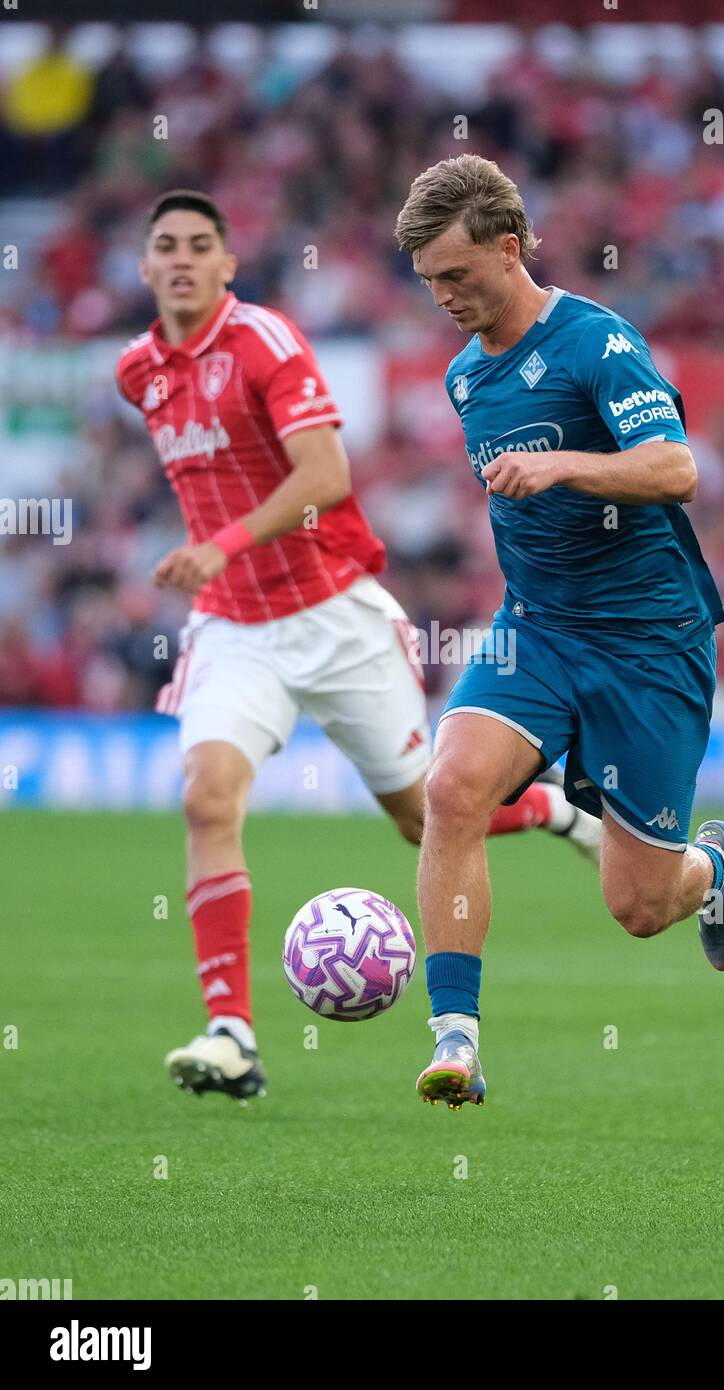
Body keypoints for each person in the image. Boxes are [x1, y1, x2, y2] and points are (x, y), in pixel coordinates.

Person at [116, 189, 599, 1101]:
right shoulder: (139, 370)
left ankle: (554, 811)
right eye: (164, 246)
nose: (180, 259)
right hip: (232, 623)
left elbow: (325, 477)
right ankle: (230, 1033)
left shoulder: (264, 342)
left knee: (426, 820)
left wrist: (220, 542)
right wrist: (218, 564)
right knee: (206, 798)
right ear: (144, 268)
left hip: (335, 609)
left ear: (226, 264)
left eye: (199, 245)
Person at [394, 155, 724, 1112]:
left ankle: (710, 867)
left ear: (509, 250)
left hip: (648, 642)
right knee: (452, 786)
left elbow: (674, 469)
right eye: (428, 280)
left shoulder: (598, 342)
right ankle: (456, 1043)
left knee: (637, 908)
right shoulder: (465, 377)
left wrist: (562, 468)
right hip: (537, 631)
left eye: (456, 275)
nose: (442, 297)